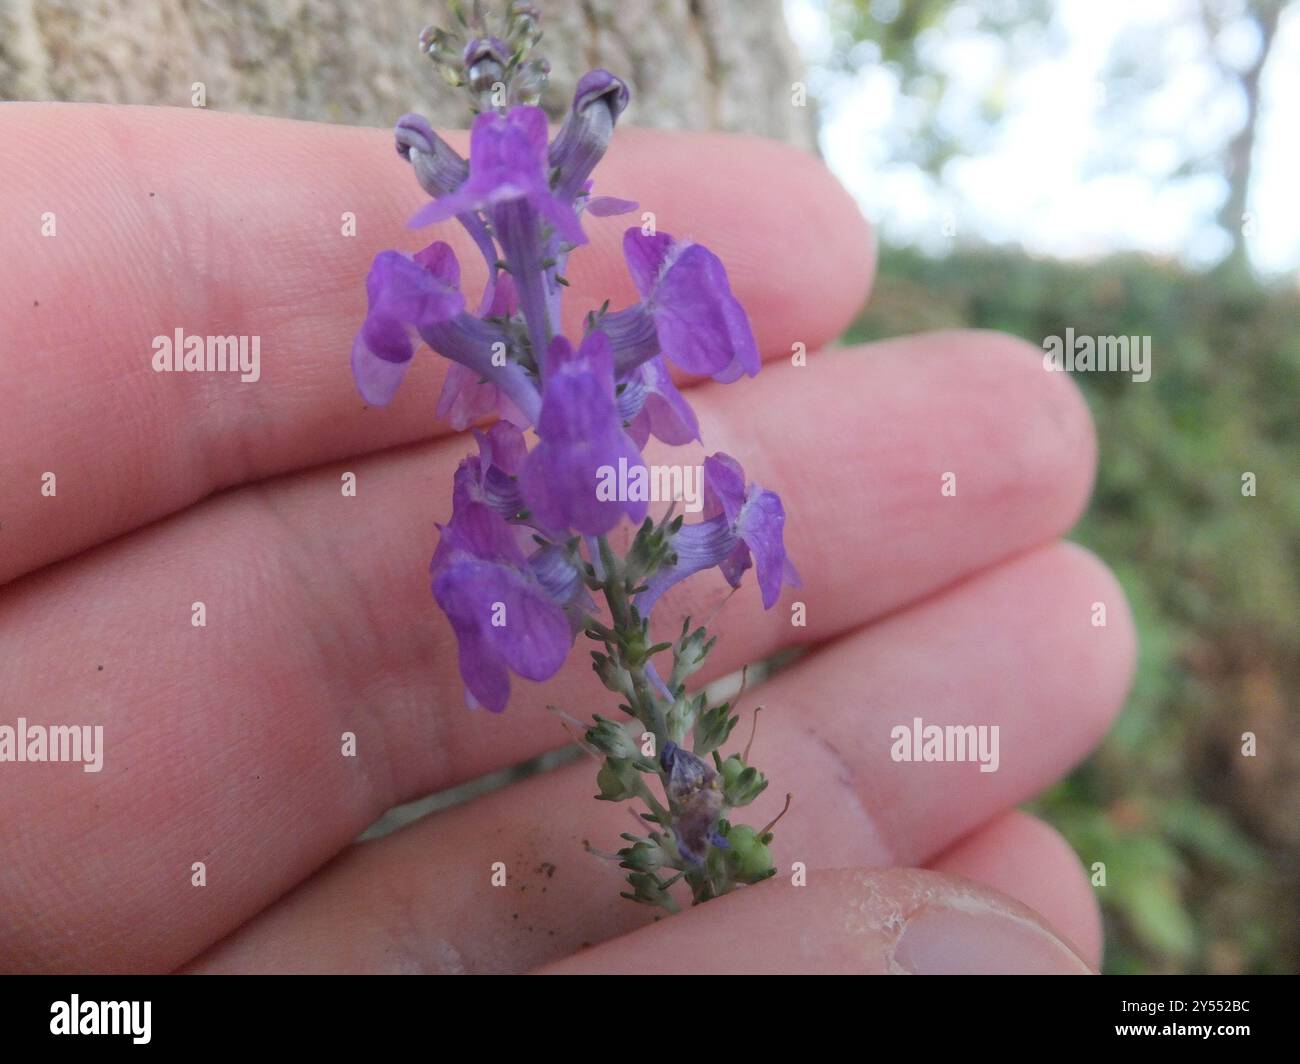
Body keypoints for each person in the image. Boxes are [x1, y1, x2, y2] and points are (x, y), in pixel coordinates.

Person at [0, 102, 1134, 974]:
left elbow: (629, 389)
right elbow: (509, 413)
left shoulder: (609, 340)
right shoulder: (506, 375)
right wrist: (506, 506)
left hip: (598, 499)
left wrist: (633, 441)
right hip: (553, 508)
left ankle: (693, 803)